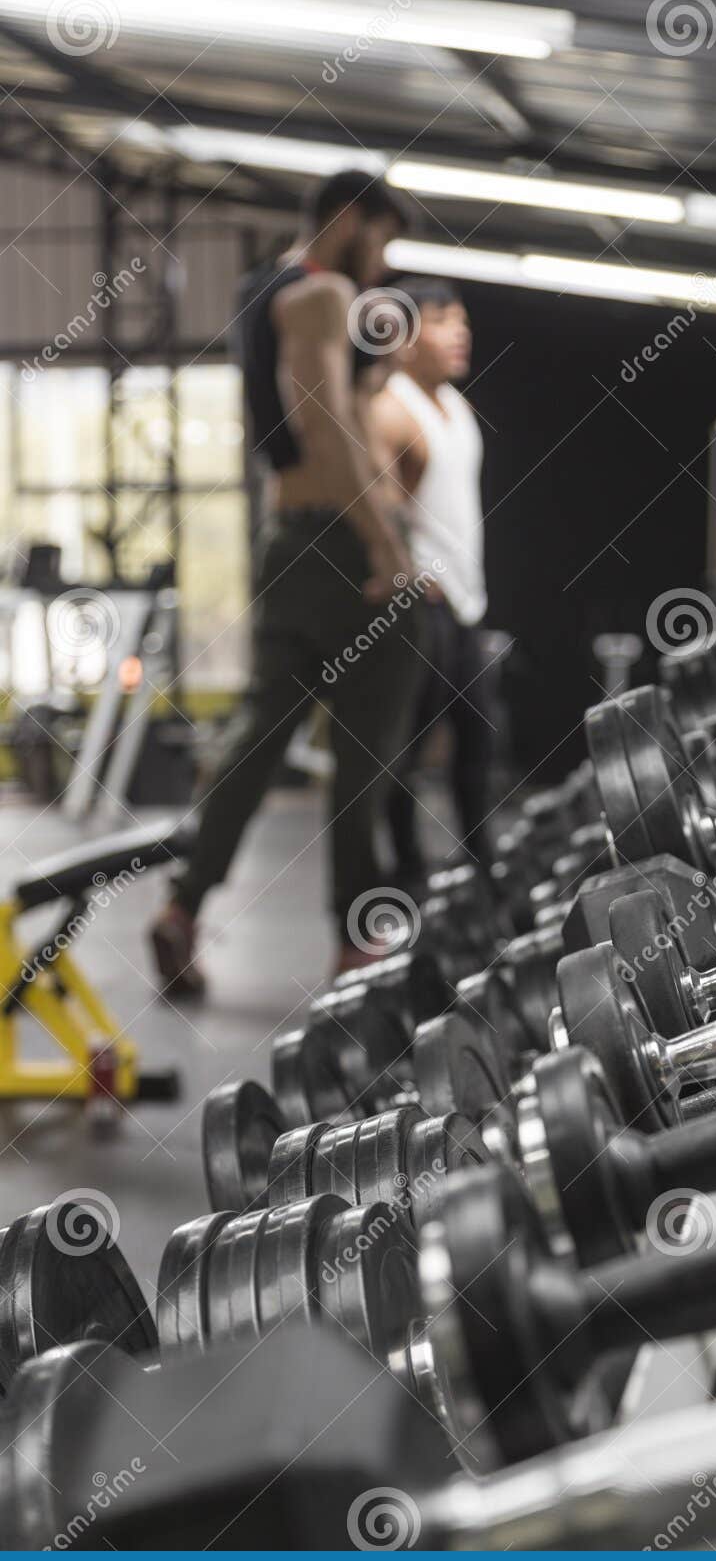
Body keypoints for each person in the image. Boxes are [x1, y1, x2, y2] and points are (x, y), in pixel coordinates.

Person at [149, 169, 421, 994]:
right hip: (339, 546)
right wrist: (385, 546)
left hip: (287, 541)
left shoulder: (257, 291)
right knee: (362, 754)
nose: (379, 264)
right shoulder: (320, 294)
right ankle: (353, 939)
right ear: (347, 219)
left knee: (263, 735)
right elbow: (325, 423)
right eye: (379, 239)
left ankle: (184, 904)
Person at [372, 278, 493, 883]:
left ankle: (481, 863)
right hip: (422, 605)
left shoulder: (457, 407)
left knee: (479, 733)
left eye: (463, 321)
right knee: (407, 748)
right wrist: (411, 578)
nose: (460, 333)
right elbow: (377, 508)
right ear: (403, 335)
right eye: (444, 321)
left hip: (465, 602)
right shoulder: (393, 409)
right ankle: (407, 871)